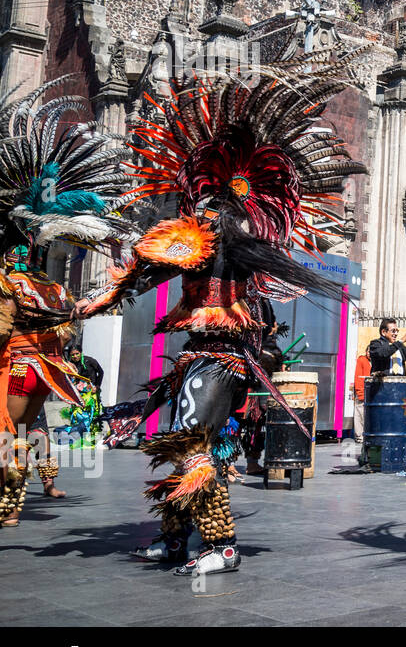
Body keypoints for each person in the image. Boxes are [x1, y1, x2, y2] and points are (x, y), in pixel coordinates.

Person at [74, 57, 364, 576]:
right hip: (201, 357)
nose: (200, 206)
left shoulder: (215, 234)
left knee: (190, 444)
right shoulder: (220, 236)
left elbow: (152, 267)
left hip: (223, 360)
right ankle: (173, 536)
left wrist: (102, 297)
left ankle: (223, 545)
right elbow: (157, 266)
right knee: (179, 445)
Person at [0, 87, 134, 528]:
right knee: (32, 431)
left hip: (15, 368)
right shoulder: (53, 291)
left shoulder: (9, 284)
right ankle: (31, 494)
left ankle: (11, 506)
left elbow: (3, 330)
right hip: (46, 370)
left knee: (10, 434)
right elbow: (68, 326)